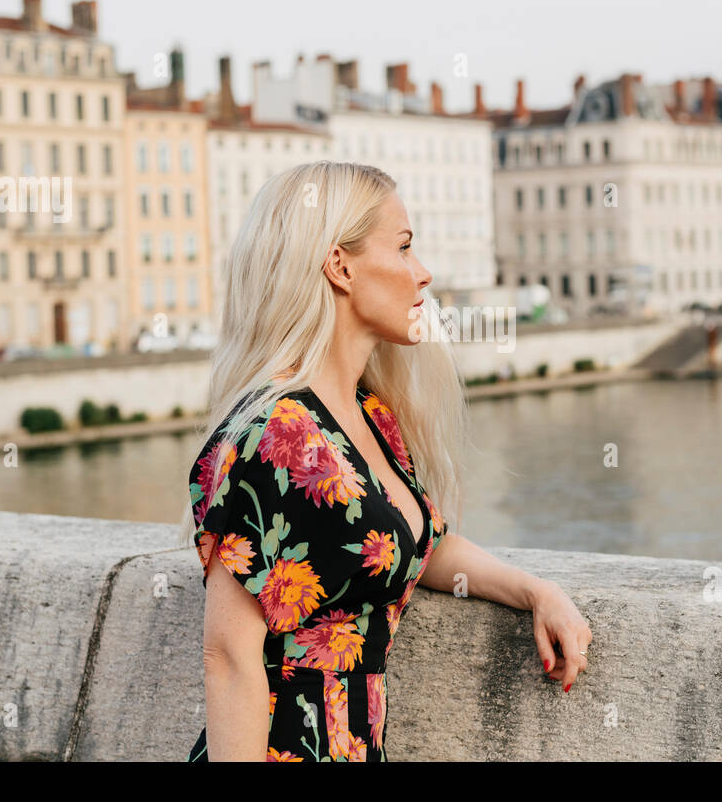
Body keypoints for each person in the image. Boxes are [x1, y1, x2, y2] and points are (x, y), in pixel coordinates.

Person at [179, 161, 591, 761]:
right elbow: (229, 659)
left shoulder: (368, 415)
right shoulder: (275, 436)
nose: (422, 274)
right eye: (403, 248)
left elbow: (414, 545)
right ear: (339, 267)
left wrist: (537, 592)